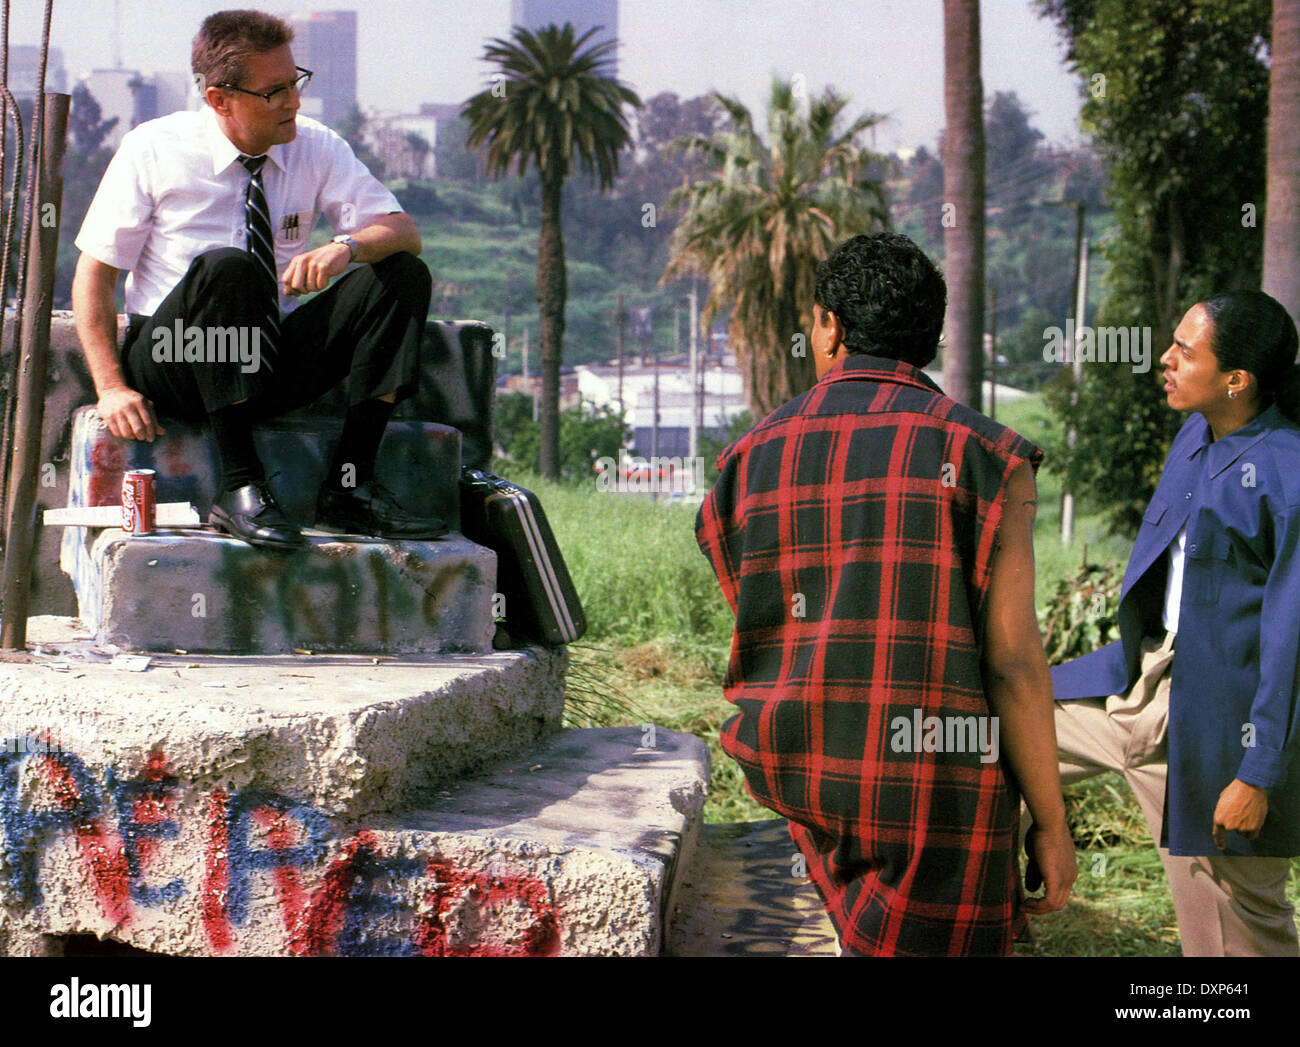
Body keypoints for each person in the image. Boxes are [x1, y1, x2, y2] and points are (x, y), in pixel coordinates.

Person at [695, 232, 1076, 956]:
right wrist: (1051, 822)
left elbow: (769, 623)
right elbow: (1014, 663)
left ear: (831, 326)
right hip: (941, 803)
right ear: (926, 338)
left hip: (804, 780)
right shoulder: (989, 456)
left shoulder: (745, 461)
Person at [72, 9, 443, 549]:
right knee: (230, 267)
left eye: (296, 81)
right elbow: (94, 275)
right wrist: (110, 387)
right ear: (221, 99)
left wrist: (346, 246)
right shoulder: (154, 149)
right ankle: (240, 486)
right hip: (175, 358)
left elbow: (404, 231)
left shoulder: (315, 144)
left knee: (402, 275)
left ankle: (350, 488)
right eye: (274, 92)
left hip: (266, 359)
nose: (294, 100)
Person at [1051, 290, 1300, 956]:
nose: (1164, 358)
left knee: (1231, 936)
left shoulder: (1289, 474)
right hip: (1145, 684)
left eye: (1184, 351)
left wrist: (1257, 775)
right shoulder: (1195, 433)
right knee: (994, 738)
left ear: (1236, 380)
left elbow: (1290, 641)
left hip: (1227, 728)